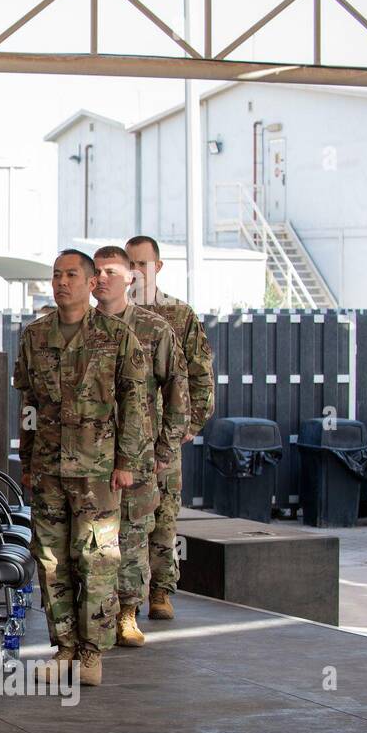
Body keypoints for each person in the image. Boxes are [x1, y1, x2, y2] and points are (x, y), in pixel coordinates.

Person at [13, 250, 148, 686]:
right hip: (49, 467)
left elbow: (134, 404)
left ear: (91, 283)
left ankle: (92, 652)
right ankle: (64, 647)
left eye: (71, 274)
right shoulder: (34, 336)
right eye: (56, 275)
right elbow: (28, 403)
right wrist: (28, 458)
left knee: (96, 559)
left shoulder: (116, 334)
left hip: (98, 470)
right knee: (51, 561)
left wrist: (127, 462)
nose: (61, 282)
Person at [92, 245, 188, 646]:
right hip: (89, 456)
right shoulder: (77, 328)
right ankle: (95, 615)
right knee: (93, 539)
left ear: (131, 276)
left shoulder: (154, 328)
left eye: (111, 271)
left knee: (133, 536)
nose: (102, 279)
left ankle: (129, 613)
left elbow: (178, 390)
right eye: (95, 271)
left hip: (138, 455)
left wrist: (166, 449)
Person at [125, 235, 215, 620]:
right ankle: (122, 599)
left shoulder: (179, 315)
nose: (136, 271)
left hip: (163, 438)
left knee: (164, 517)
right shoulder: (111, 315)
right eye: (129, 264)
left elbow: (201, 375)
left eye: (142, 264)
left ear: (157, 267)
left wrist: (190, 424)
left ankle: (161, 592)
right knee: (126, 521)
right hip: (124, 442)